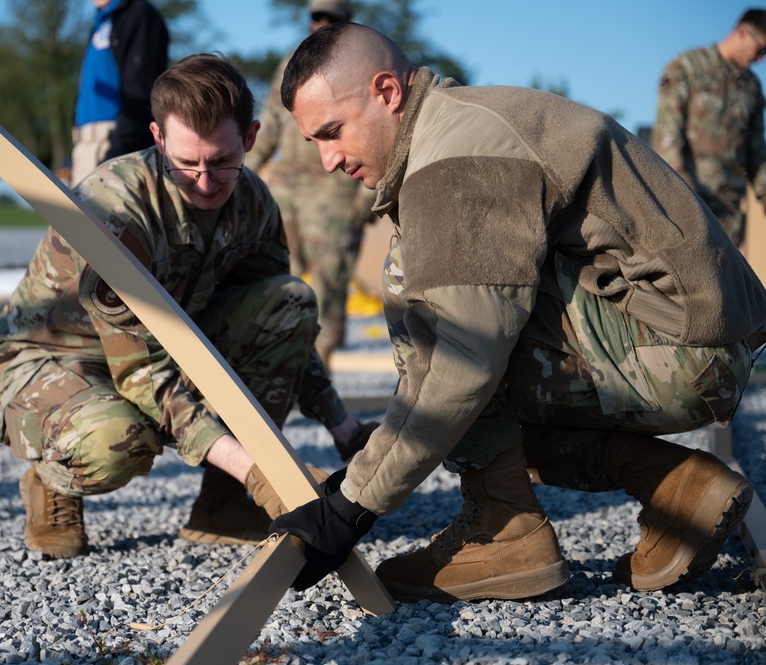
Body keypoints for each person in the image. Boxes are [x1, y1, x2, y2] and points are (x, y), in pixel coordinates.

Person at [269, 23, 765, 602]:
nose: (328, 160)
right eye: (314, 143)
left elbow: (460, 359)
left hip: (675, 351)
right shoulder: (460, 123)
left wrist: (351, 506)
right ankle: (674, 485)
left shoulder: (455, 155)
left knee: (421, 297)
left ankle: (503, 531)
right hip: (693, 349)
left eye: (333, 132)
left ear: (387, 92)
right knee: (469, 398)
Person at [0, 53, 376, 559]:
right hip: (53, 363)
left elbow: (283, 324)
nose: (206, 182)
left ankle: (223, 504)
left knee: (292, 298)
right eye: (187, 164)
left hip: (162, 347)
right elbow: (144, 375)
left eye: (222, 162)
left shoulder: (253, 202)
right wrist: (263, 473)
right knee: (118, 439)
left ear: (251, 138)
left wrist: (344, 429)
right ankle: (52, 477)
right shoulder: (114, 210)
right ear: (158, 138)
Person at [245, 0, 375, 370]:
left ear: (346, 20)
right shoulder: (292, 62)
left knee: (328, 289)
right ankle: (273, 374)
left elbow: (380, 132)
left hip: (335, 192)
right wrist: (242, 171)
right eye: (316, 17)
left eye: (330, 18)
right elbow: (270, 121)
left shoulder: (360, 64)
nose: (321, 24)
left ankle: (317, 383)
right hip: (287, 188)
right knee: (270, 277)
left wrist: (366, 201)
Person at [652, 9, 766, 248]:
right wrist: (683, 202)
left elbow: (757, 156)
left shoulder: (752, 88)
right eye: (761, 50)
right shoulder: (689, 67)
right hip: (685, 208)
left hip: (729, 220)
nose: (760, 60)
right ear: (743, 33)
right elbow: (667, 140)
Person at [70, 0, 168, 187]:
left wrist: (117, 151)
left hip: (114, 142)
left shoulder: (138, 14)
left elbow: (142, 91)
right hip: (85, 144)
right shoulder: (100, 21)